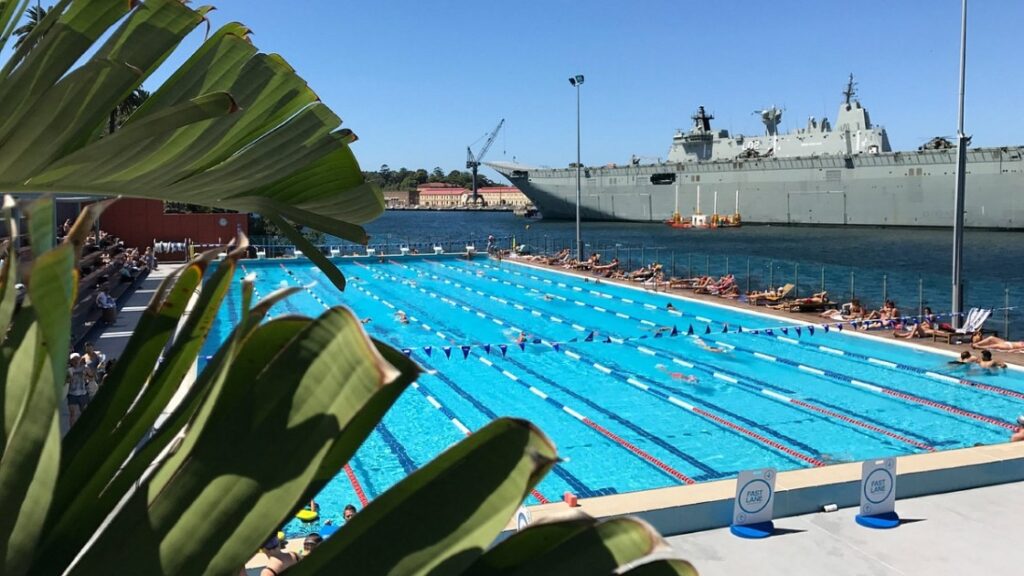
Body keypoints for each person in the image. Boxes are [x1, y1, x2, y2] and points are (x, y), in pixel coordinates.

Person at [66, 354, 90, 426]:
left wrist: (86, 375)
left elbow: (91, 377)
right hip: (72, 394)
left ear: (80, 359)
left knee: (84, 413)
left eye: (77, 359)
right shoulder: (69, 370)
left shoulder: (85, 368)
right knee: (72, 414)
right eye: (74, 359)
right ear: (71, 361)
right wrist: (69, 379)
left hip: (83, 394)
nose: (76, 361)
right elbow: (65, 381)